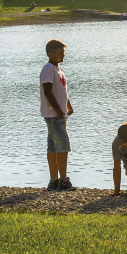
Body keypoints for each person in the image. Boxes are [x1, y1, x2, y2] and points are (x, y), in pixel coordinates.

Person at [39, 38, 75, 191]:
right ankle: (63, 180)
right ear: (50, 54)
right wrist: (59, 111)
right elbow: (47, 91)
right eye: (60, 53)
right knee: (63, 147)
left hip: (59, 114)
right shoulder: (48, 69)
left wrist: (68, 106)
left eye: (64, 53)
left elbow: (62, 91)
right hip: (54, 116)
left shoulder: (59, 70)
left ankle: (53, 181)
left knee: (53, 147)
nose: (63, 55)